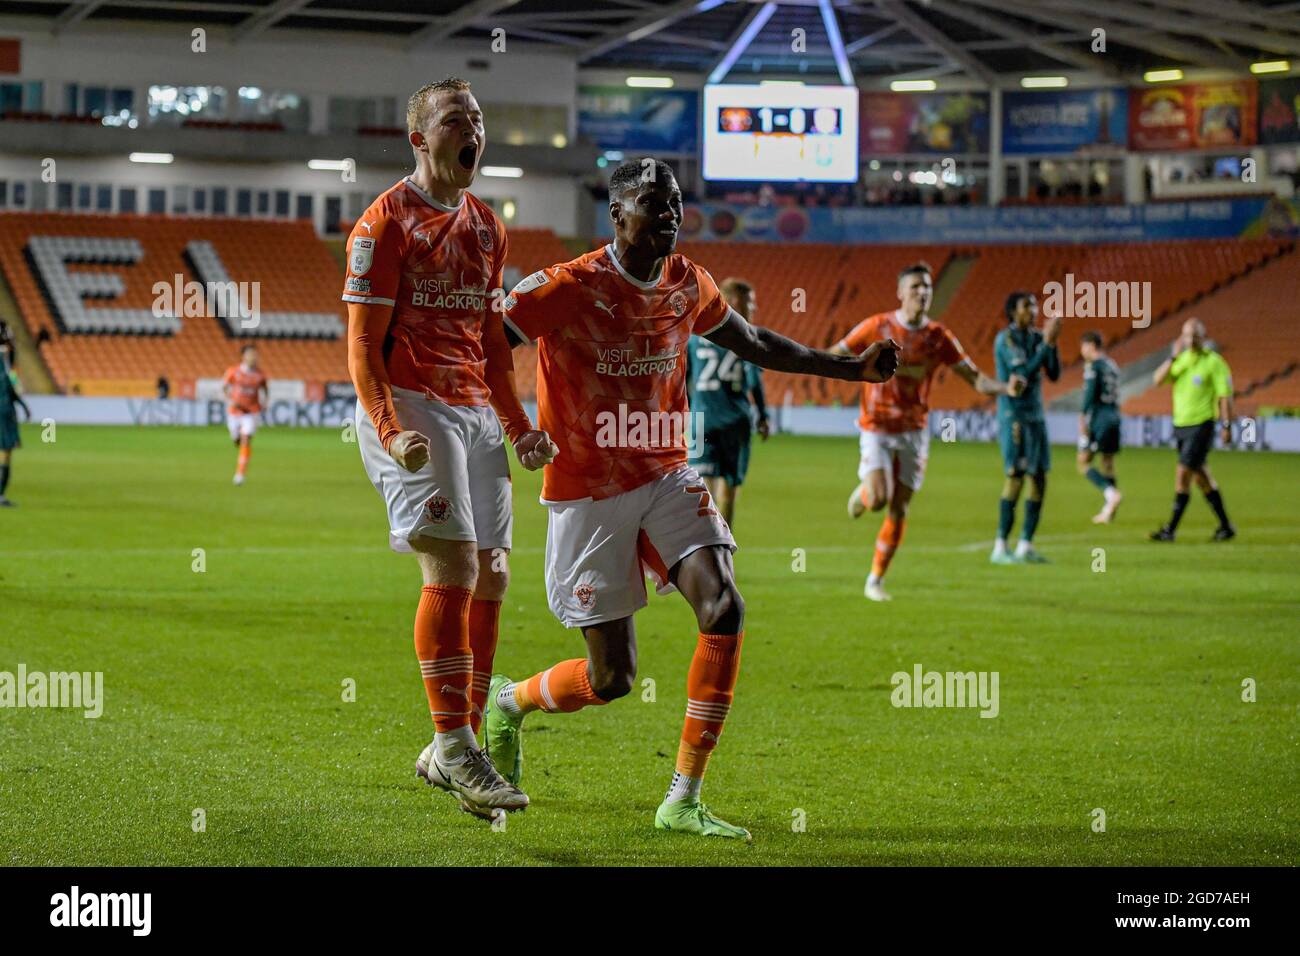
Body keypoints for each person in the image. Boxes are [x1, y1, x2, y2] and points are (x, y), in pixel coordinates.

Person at [483, 158, 899, 841]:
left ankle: (683, 797)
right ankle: (509, 701)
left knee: (725, 606)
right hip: (587, 491)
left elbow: (756, 342)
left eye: (676, 200)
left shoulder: (687, 282)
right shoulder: (569, 285)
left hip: (667, 472)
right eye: (653, 202)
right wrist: (519, 430)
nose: (670, 213)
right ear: (617, 215)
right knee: (613, 677)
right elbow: (487, 344)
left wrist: (848, 368)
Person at [342, 77, 556, 819]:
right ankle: (458, 745)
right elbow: (363, 348)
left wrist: (519, 422)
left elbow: (493, 345)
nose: (474, 128)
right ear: (419, 138)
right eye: (456, 118)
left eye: (479, 117)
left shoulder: (487, 227)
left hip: (471, 410)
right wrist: (389, 425)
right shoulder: (384, 225)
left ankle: (450, 748)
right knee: (455, 563)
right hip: (411, 405)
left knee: (493, 574)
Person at [833, 263, 1022, 601]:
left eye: (927, 288)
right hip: (877, 425)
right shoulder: (878, 326)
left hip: (914, 431)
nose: (923, 292)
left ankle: (875, 579)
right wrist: (814, 362)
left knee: (900, 508)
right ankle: (864, 494)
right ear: (901, 292)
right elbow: (838, 352)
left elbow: (975, 378)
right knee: (878, 499)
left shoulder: (939, 337)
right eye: (916, 286)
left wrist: (1006, 388)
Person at [685, 277, 769, 528]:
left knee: (703, 493)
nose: (753, 309)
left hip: (702, 420)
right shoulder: (748, 338)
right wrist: (763, 415)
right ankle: (723, 553)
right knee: (728, 494)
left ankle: (705, 548)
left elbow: (682, 377)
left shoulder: (694, 336)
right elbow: (754, 381)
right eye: (749, 304)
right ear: (733, 302)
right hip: (736, 421)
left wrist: (681, 413)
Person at [1149, 318, 1235, 542]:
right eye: (1187, 335)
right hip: (1181, 426)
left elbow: (1224, 396)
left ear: (1203, 337)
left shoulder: (1214, 362)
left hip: (1202, 425)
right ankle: (1226, 526)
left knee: (1182, 475)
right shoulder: (1181, 360)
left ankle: (1170, 530)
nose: (1191, 339)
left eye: (1195, 335)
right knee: (1202, 478)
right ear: (1182, 338)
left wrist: (1226, 425)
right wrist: (1172, 357)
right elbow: (1157, 380)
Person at [991, 292, 1061, 564]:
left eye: (1034, 305)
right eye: (1026, 306)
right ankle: (1000, 546)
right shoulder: (1006, 340)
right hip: (1015, 416)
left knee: (1040, 478)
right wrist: (1046, 344)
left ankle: (1025, 545)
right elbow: (1023, 374)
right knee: (1016, 477)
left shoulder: (1036, 337)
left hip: (1036, 416)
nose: (1033, 310)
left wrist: (1051, 345)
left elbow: (1053, 374)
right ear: (1012, 311)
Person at [1076, 331, 1123, 524]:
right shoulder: (1112, 366)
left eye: (1083, 346)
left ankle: (1111, 494)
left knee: (1083, 462)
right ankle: (1108, 510)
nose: (1081, 350)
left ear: (1091, 345)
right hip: (1114, 416)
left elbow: (1088, 397)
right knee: (1108, 463)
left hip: (1099, 419)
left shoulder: (1093, 367)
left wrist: (1082, 421)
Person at [221, 345, 268, 486]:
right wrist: (230, 400)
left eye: (255, 355)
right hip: (235, 412)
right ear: (243, 356)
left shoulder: (260, 374)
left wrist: (265, 402)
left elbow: (265, 389)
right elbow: (224, 388)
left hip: (251, 412)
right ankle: (240, 446)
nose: (253, 357)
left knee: (246, 439)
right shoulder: (233, 372)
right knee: (237, 440)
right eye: (250, 354)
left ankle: (240, 474)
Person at [0, 365, 31, 507]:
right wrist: (25, 408)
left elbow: (13, 394)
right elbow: (14, 394)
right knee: (5, 456)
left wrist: (24, 407)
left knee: (5, 455)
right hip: (5, 420)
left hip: (6, 418)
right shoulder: (4, 377)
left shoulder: (5, 377)